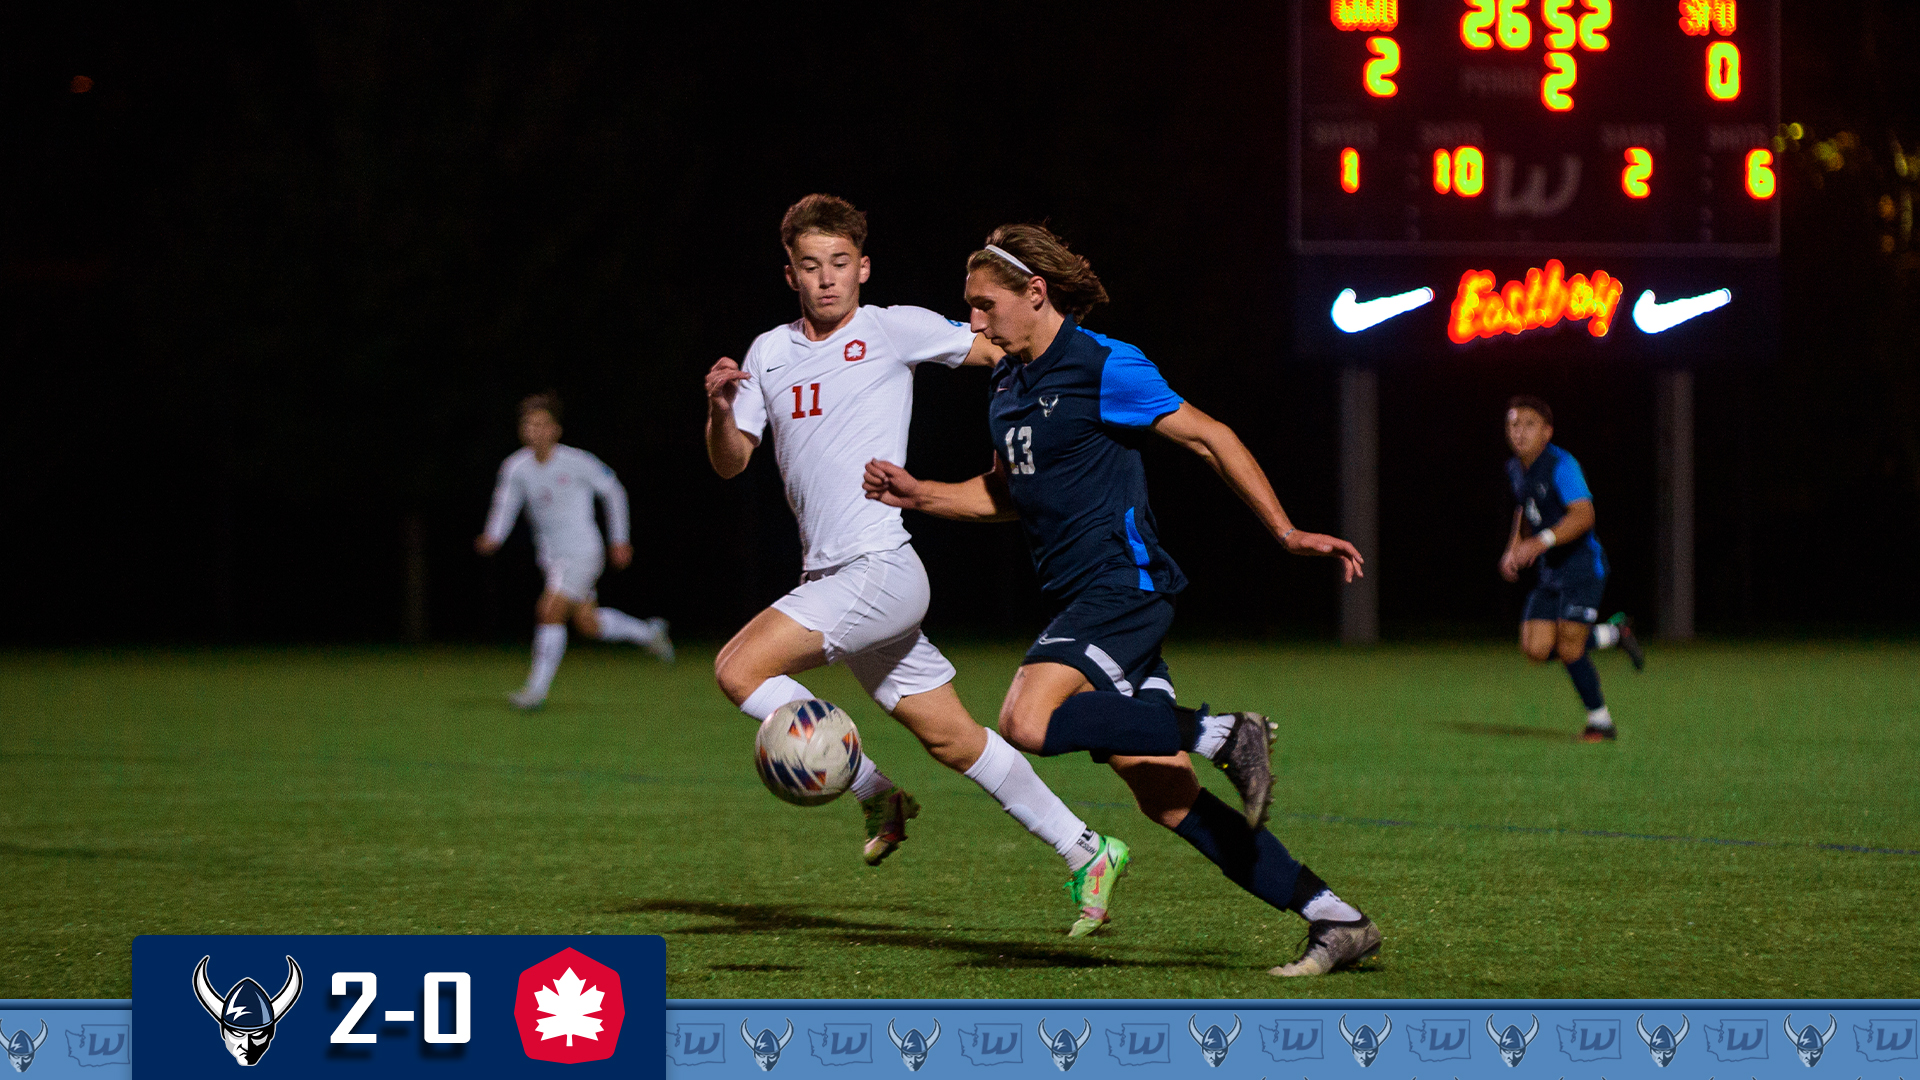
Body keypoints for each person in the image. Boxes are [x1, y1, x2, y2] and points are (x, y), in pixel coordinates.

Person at [862, 223, 1381, 977]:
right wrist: (922, 495)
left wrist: (1286, 531)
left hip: (1124, 587)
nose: (973, 323)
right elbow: (1011, 492)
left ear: (1034, 294)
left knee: (1024, 719)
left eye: (984, 305)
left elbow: (1211, 437)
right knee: (1166, 798)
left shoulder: (1104, 364)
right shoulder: (1008, 382)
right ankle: (1337, 920)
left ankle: (1224, 733)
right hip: (1081, 597)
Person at [705, 194, 1129, 936]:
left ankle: (866, 783)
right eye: (811, 267)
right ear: (790, 275)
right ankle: (1087, 847)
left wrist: (1050, 417)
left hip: (877, 569)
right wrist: (718, 410)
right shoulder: (769, 352)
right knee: (954, 739)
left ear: (863, 267)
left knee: (738, 670)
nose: (828, 279)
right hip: (833, 578)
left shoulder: (892, 328)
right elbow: (731, 463)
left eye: (840, 264)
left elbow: (1002, 347)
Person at [477, 393, 674, 709]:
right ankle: (648, 633)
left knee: (549, 610)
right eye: (529, 425)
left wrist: (619, 539)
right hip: (552, 558)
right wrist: (492, 536)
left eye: (542, 424)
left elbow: (613, 492)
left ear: (555, 430)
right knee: (588, 624)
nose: (534, 431)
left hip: (584, 551)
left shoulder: (577, 461)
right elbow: (505, 504)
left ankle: (534, 692)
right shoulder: (516, 467)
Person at [1498, 395, 1644, 741]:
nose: (1519, 432)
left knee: (1569, 648)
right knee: (1534, 649)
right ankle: (1615, 634)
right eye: (1513, 424)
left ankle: (1602, 723)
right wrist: (1513, 548)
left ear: (1547, 432)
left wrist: (1540, 541)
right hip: (1550, 571)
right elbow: (1524, 510)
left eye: (1529, 424)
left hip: (1582, 569)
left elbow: (1584, 515)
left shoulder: (1562, 464)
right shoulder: (1516, 468)